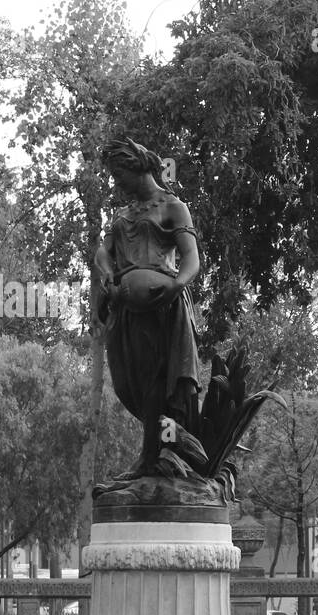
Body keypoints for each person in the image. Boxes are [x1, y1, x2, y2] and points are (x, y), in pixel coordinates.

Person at [94, 137, 202, 479]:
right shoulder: (122, 213)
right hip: (125, 308)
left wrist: (177, 285)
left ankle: (153, 457)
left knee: (156, 380)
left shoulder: (173, 207)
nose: (117, 182)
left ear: (138, 166)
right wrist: (107, 275)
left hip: (160, 307)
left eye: (119, 173)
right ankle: (165, 448)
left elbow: (190, 258)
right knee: (129, 385)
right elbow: (103, 251)